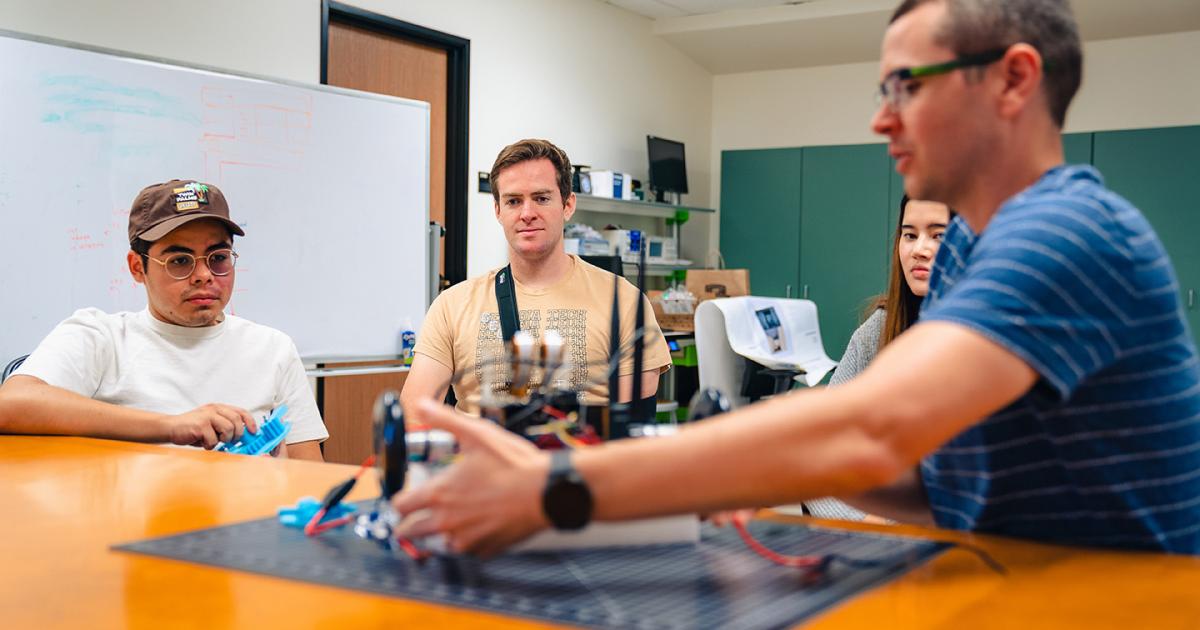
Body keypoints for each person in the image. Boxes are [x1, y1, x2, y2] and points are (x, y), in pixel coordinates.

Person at [391, 0, 1200, 557]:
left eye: (904, 87)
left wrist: (562, 484)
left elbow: (871, 429)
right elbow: (926, 474)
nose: (883, 118)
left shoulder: (1066, 233)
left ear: (1015, 80)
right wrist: (745, 472)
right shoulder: (967, 254)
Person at [0, 180, 328, 460]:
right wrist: (171, 426)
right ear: (137, 267)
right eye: (180, 260)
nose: (203, 275)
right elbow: (10, 405)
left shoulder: (273, 348)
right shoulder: (100, 337)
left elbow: (312, 481)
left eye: (218, 258)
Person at [401, 139, 670, 420]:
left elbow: (628, 434)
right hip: (481, 461)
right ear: (498, 211)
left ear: (568, 205)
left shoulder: (625, 301)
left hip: (580, 460)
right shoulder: (452, 306)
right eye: (514, 201)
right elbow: (414, 415)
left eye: (541, 198)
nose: (527, 214)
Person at [807, 195, 950, 521]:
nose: (919, 250)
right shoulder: (877, 332)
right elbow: (824, 439)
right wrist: (863, 528)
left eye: (938, 235)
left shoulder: (988, 339)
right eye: (910, 234)